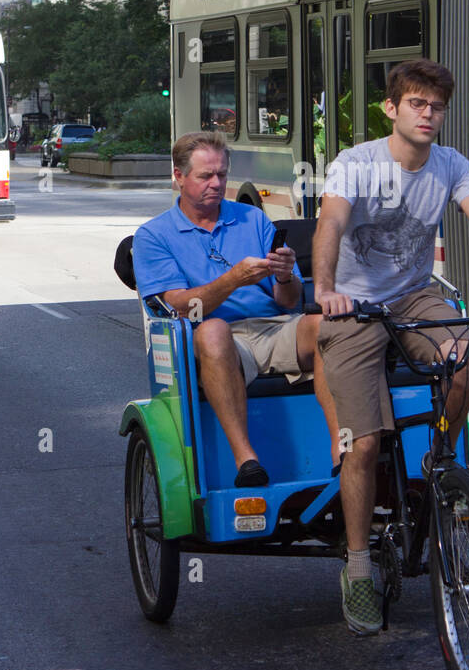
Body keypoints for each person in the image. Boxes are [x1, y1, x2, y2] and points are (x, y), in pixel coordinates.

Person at [313, 58, 469, 636]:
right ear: (391, 109)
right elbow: (332, 226)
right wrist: (324, 289)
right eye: (416, 104)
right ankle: (360, 567)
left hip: (415, 297)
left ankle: (438, 464)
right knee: (364, 442)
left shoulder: (450, 164)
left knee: (462, 361)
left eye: (436, 106)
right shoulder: (355, 165)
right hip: (354, 304)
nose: (428, 114)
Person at [133, 130, 341, 486]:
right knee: (213, 330)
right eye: (205, 176)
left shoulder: (252, 218)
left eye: (222, 175)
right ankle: (247, 460)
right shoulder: (154, 236)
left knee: (329, 324)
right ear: (179, 176)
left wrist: (286, 274)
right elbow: (181, 309)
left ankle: (342, 452)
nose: (216, 183)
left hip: (273, 326)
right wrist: (232, 279)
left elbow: (287, 301)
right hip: (215, 339)